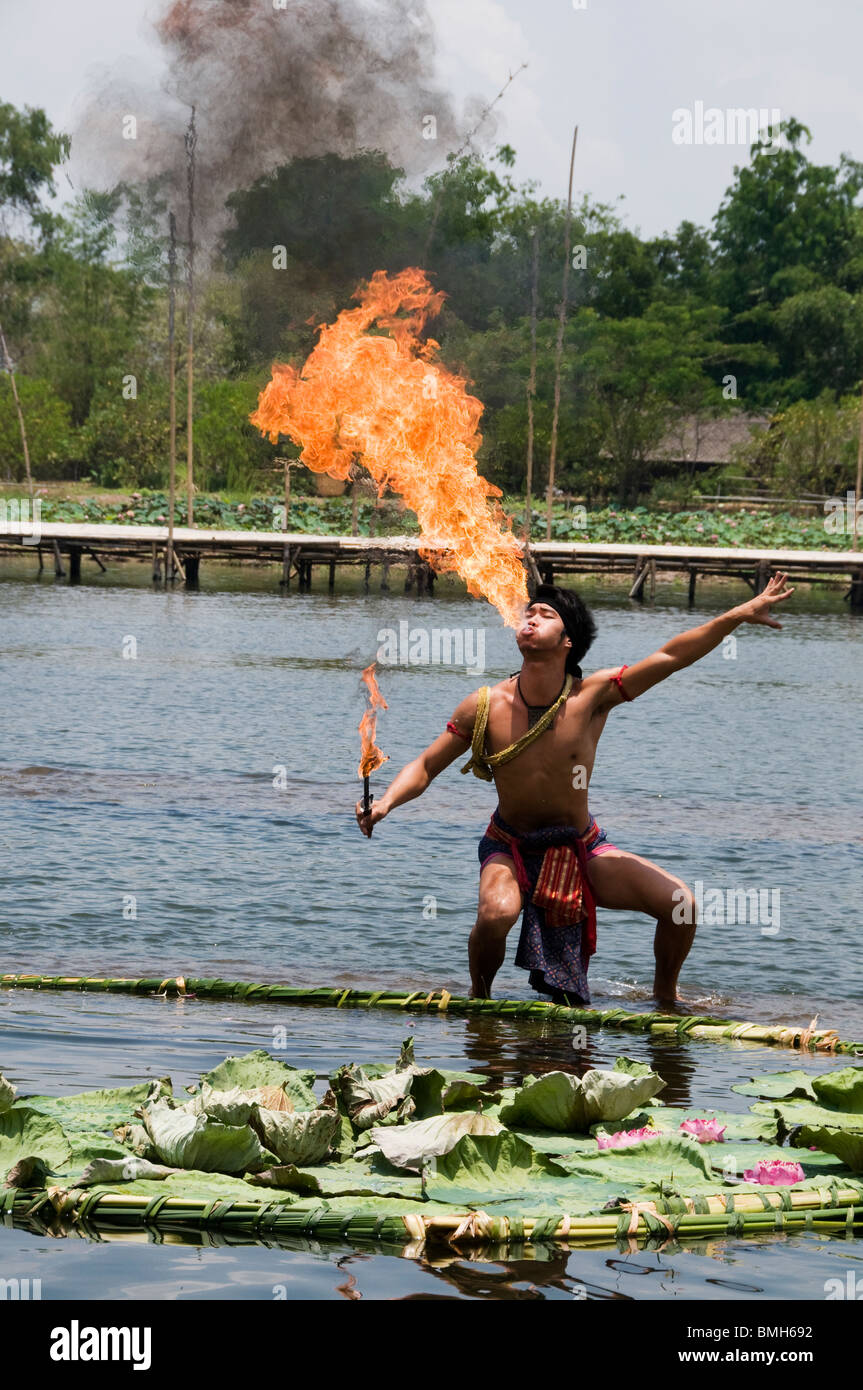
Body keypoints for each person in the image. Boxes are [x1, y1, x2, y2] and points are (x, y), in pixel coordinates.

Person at [355, 573, 793, 1005]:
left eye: (545, 615)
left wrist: (737, 614)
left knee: (683, 906)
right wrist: (385, 804)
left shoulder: (592, 696)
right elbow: (428, 765)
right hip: (510, 846)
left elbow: (672, 656)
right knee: (496, 914)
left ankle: (665, 997)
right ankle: (480, 1004)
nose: (530, 620)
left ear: (568, 641)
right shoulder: (483, 704)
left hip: (579, 846)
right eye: (528, 614)